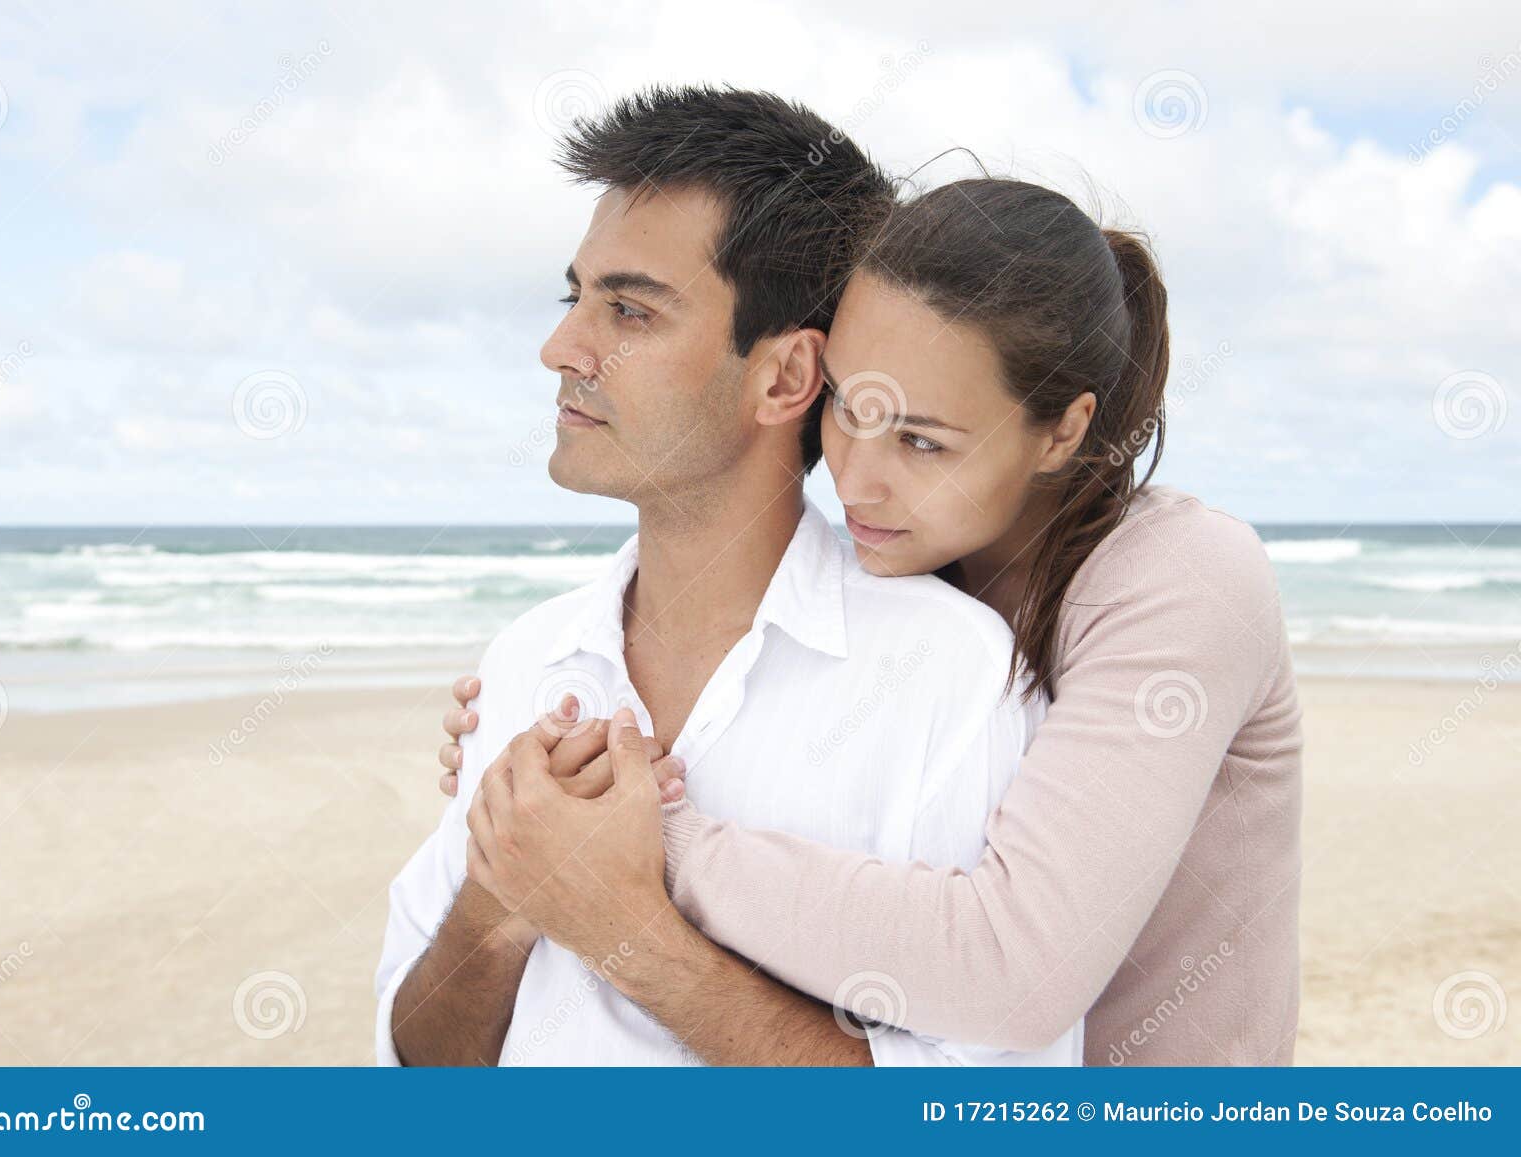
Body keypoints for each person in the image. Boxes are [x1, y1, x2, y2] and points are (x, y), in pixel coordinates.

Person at [440, 172, 1304, 1065]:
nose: (853, 479)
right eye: (847, 408)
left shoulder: (1181, 577)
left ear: (1063, 431)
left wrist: (632, 836)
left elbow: (1014, 969)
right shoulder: (915, 563)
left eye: (922, 441)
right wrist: (522, 743)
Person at [375, 86, 1083, 1067]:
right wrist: (492, 911)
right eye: (574, 298)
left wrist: (630, 933)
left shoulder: (950, 677)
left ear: (785, 377)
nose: (561, 349)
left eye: (629, 309)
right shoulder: (526, 658)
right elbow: (411, 1067)